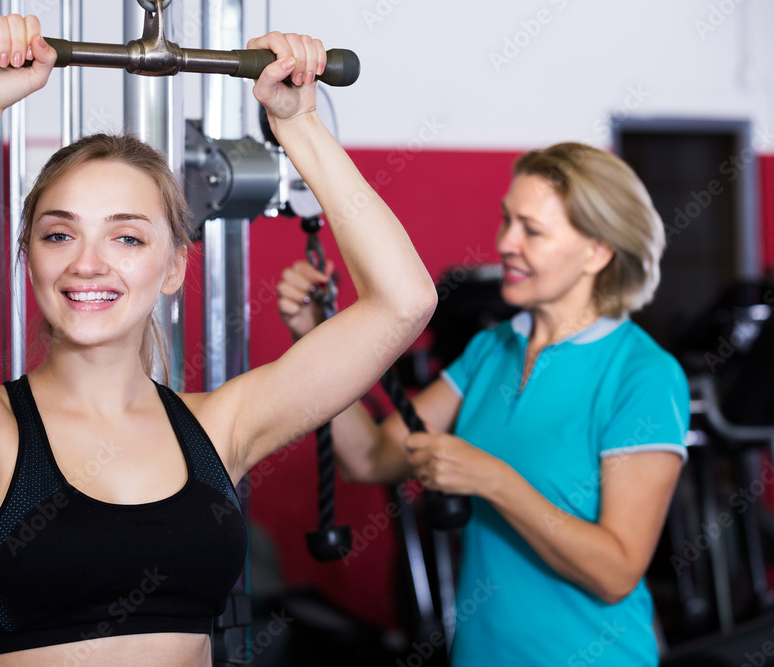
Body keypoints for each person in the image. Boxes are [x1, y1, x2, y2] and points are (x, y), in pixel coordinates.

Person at [0, 14, 436, 666]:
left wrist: (298, 124)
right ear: (28, 258)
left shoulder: (218, 427)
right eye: (59, 234)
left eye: (127, 237)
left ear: (173, 266)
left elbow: (405, 301)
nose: (88, 262)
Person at [277, 143, 689, 665]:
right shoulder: (493, 349)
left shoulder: (642, 374)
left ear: (597, 251)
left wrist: (492, 479)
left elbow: (616, 573)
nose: (506, 243)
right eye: (507, 221)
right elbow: (371, 458)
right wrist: (316, 337)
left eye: (532, 230)